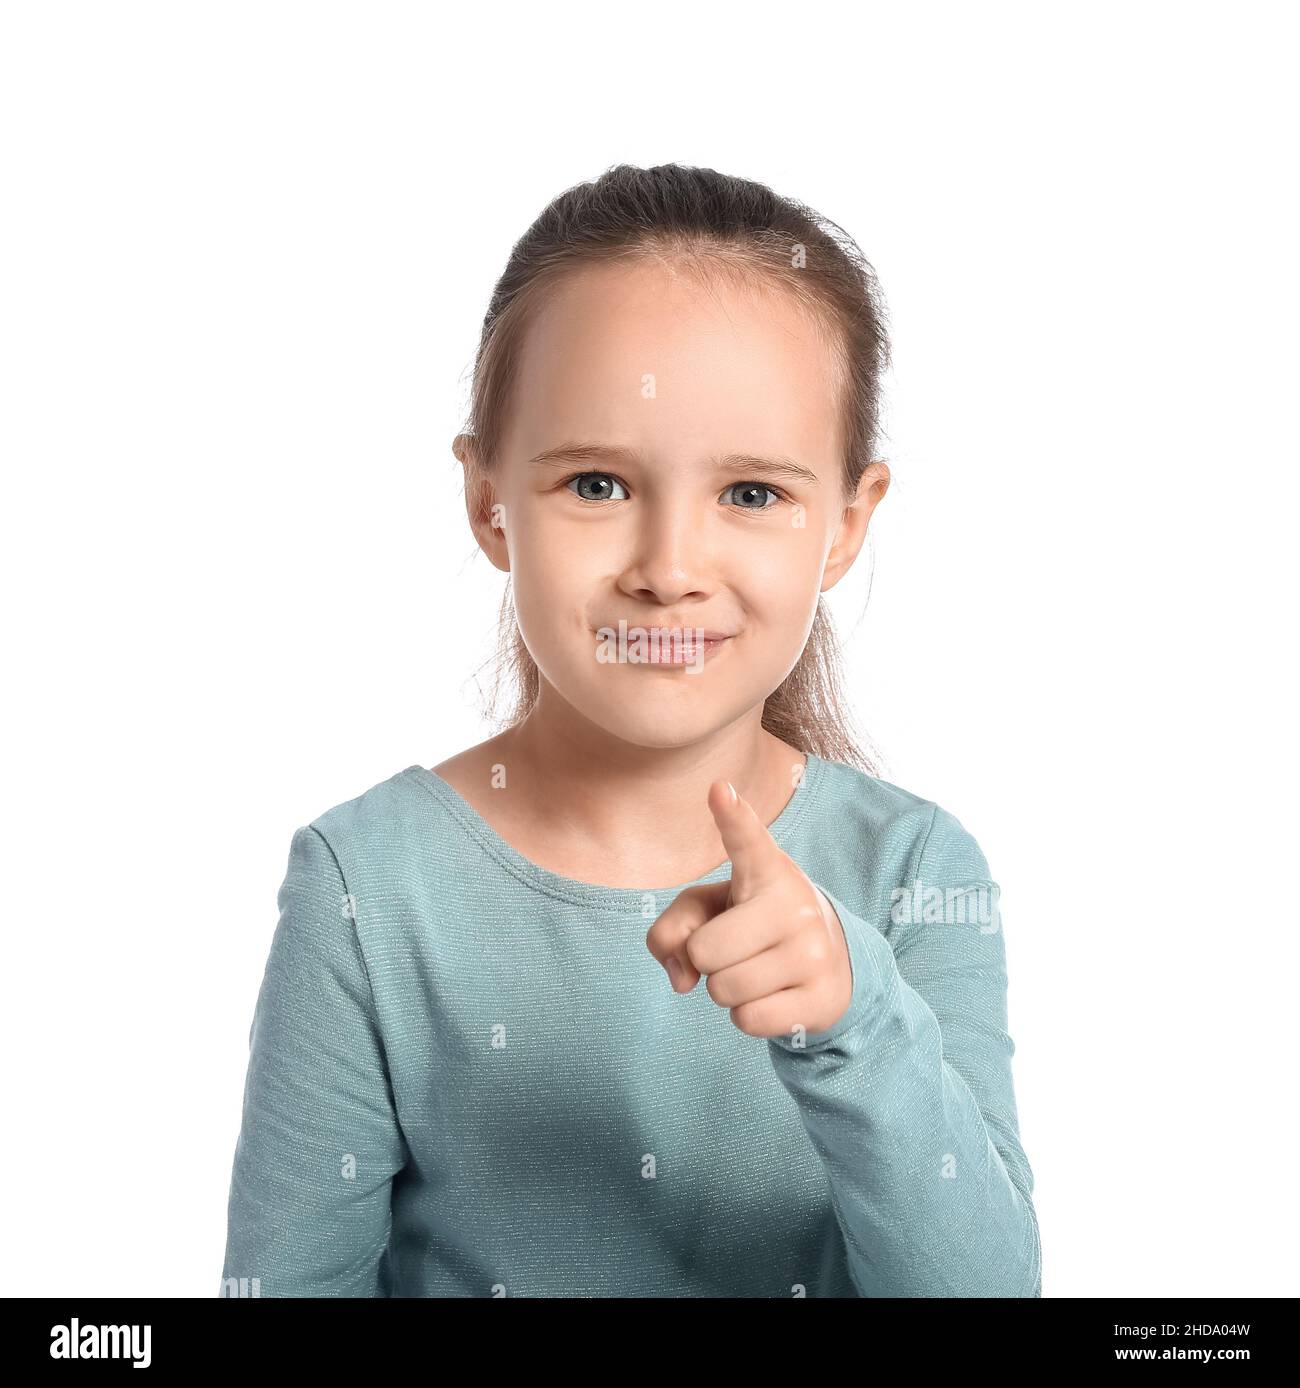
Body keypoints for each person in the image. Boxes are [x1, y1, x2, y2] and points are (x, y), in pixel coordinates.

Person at [220, 162, 1041, 1298]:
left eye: (751, 493)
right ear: (487, 500)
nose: (667, 569)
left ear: (846, 526)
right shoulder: (366, 884)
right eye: (597, 483)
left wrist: (853, 1015)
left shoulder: (914, 872)